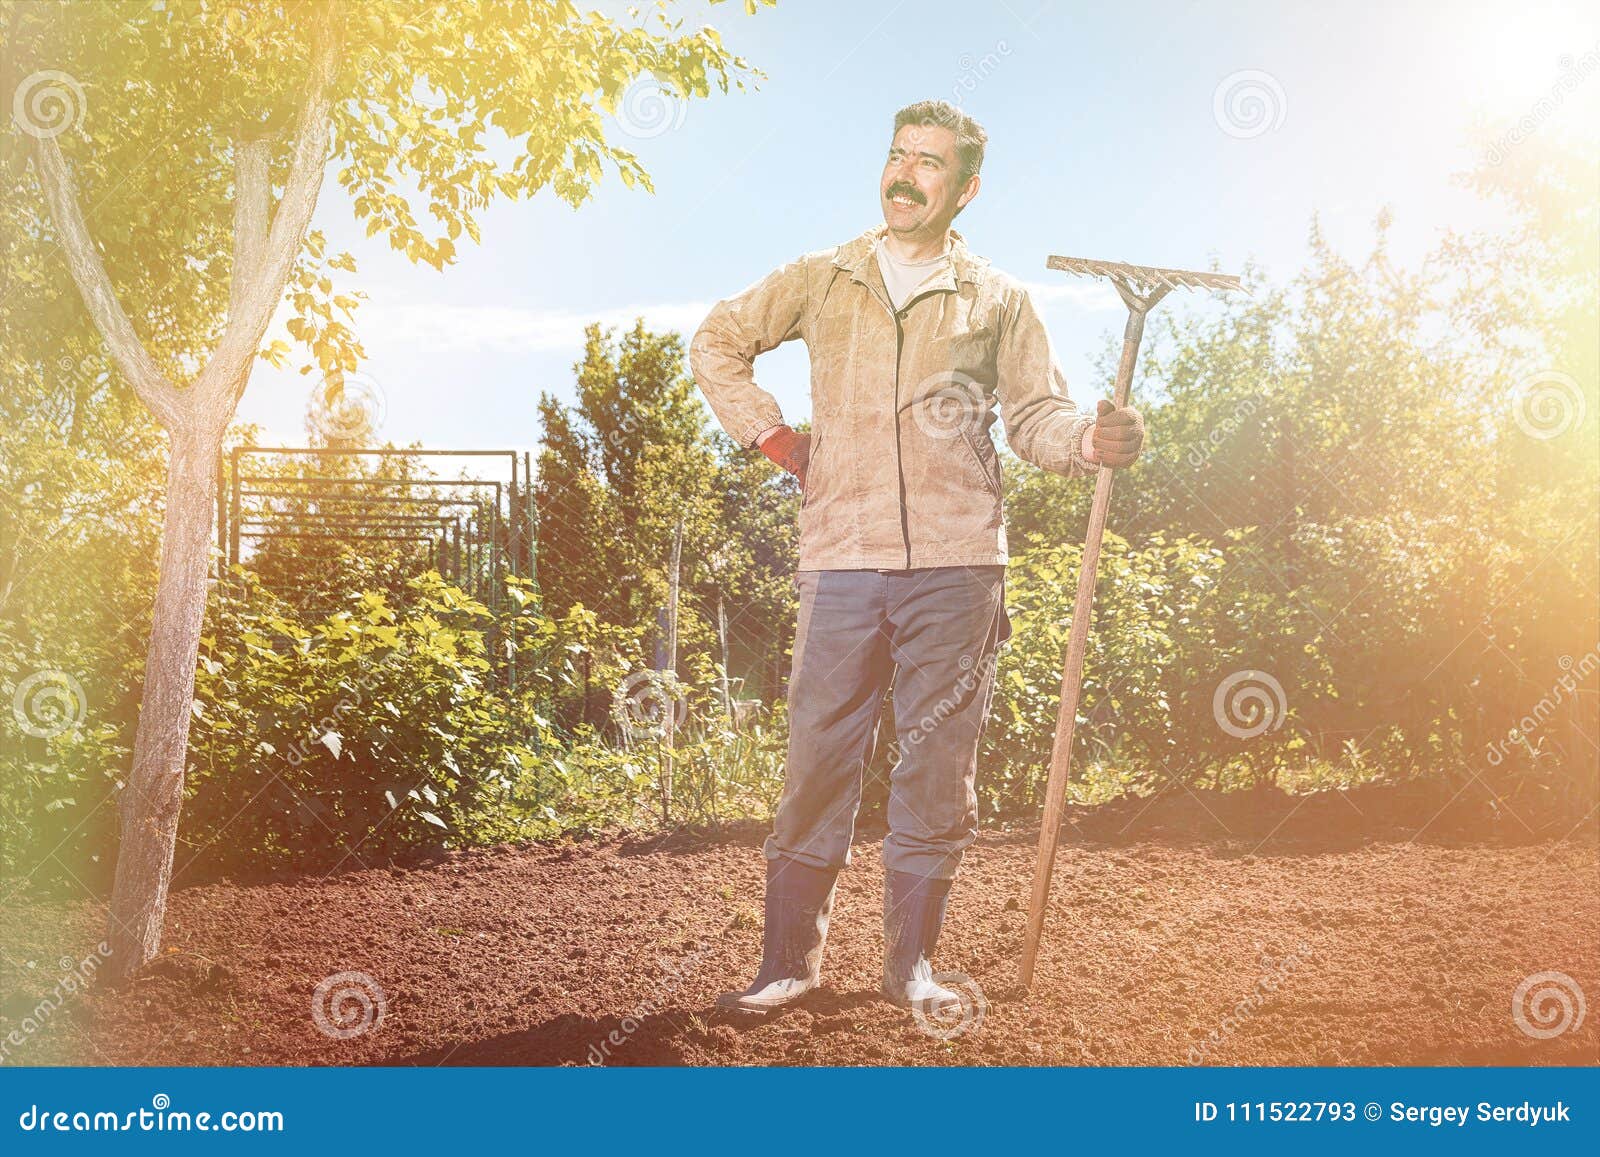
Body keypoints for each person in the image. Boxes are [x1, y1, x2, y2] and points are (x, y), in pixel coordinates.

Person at [689, 99, 1146, 1017]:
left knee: (937, 763)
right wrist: (777, 442)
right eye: (898, 156)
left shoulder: (1000, 300)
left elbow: (1033, 418)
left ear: (966, 187)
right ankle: (788, 961)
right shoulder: (824, 279)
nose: (905, 175)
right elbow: (717, 342)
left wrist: (1089, 442)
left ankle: (911, 967)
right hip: (843, 554)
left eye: (929, 163)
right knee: (819, 755)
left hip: (958, 560)